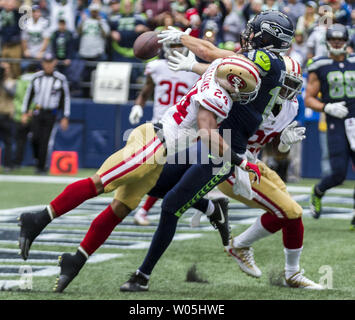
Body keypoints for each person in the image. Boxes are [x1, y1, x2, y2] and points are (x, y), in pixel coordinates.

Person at [18, 54, 261, 292]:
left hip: (160, 151)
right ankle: (38, 219)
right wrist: (241, 161)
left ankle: (76, 261)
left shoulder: (214, 71)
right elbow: (208, 134)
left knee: (120, 208)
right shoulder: (218, 96)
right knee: (100, 183)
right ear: (234, 81)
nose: (246, 94)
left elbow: (215, 58)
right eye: (246, 87)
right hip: (152, 144)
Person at [119, 10, 294, 292]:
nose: (248, 33)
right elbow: (224, 70)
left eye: (254, 30)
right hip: (212, 139)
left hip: (225, 149)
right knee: (153, 182)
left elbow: (217, 55)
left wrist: (185, 38)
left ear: (266, 35)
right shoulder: (265, 63)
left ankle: (142, 275)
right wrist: (192, 66)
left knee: (170, 206)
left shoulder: (266, 59)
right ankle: (212, 208)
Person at [167, 55, 322, 289]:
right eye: (285, 84)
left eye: (294, 85)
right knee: (290, 211)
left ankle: (288, 271)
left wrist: (283, 143)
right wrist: (192, 66)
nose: (289, 91)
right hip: (232, 165)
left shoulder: (291, 106)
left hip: (253, 162)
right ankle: (242, 246)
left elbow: (272, 146)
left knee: (288, 212)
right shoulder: (251, 96)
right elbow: (224, 74)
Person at [130, 40, 200, 225]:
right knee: (154, 171)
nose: (176, 49)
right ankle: (141, 209)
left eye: (179, 45)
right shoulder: (157, 67)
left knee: (180, 173)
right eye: (173, 45)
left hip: (183, 128)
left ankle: (145, 210)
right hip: (159, 125)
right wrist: (137, 107)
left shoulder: (193, 70)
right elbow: (145, 92)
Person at [305, 23, 355, 229]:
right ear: (327, 42)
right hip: (336, 124)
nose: (337, 43)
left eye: (340, 40)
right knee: (338, 174)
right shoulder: (319, 64)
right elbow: (309, 99)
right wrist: (327, 107)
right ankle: (318, 191)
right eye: (334, 40)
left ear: (346, 41)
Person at [21, 53, 71, 174]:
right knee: (34, 137)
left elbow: (65, 98)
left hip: (51, 112)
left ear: (54, 62)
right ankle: (38, 159)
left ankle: (41, 166)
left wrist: (65, 116)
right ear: (42, 63)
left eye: (50, 62)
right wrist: (24, 112)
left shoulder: (60, 78)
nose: (48, 65)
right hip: (38, 111)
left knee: (45, 140)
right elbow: (29, 95)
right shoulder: (36, 77)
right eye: (46, 62)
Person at [0, 62, 16, 171]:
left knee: (8, 141)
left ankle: (7, 165)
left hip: (6, 114)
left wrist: (2, 82)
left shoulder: (11, 82)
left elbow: (12, 93)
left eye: (6, 69)